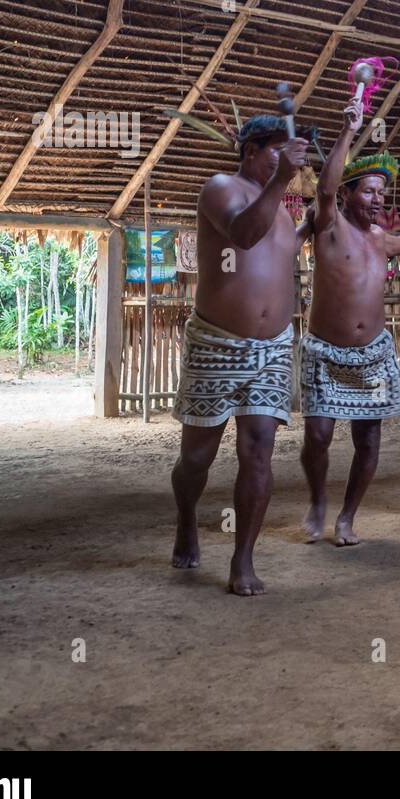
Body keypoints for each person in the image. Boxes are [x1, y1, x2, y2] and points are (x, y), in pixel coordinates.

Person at [171, 113, 309, 596]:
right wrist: (282, 179)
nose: (286, 157)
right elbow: (244, 234)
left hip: (273, 348)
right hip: (216, 342)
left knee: (258, 452)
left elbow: (281, 248)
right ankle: (187, 518)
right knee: (197, 457)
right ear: (250, 150)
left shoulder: (286, 211)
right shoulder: (220, 187)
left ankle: (243, 558)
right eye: (276, 149)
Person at [300, 99, 400, 546]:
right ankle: (318, 502)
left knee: (369, 440)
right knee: (318, 436)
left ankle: (346, 517)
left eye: (382, 192)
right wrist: (348, 130)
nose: (378, 199)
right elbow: (323, 190)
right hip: (325, 352)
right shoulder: (328, 225)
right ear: (347, 194)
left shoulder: (382, 239)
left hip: (374, 355)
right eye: (368, 191)